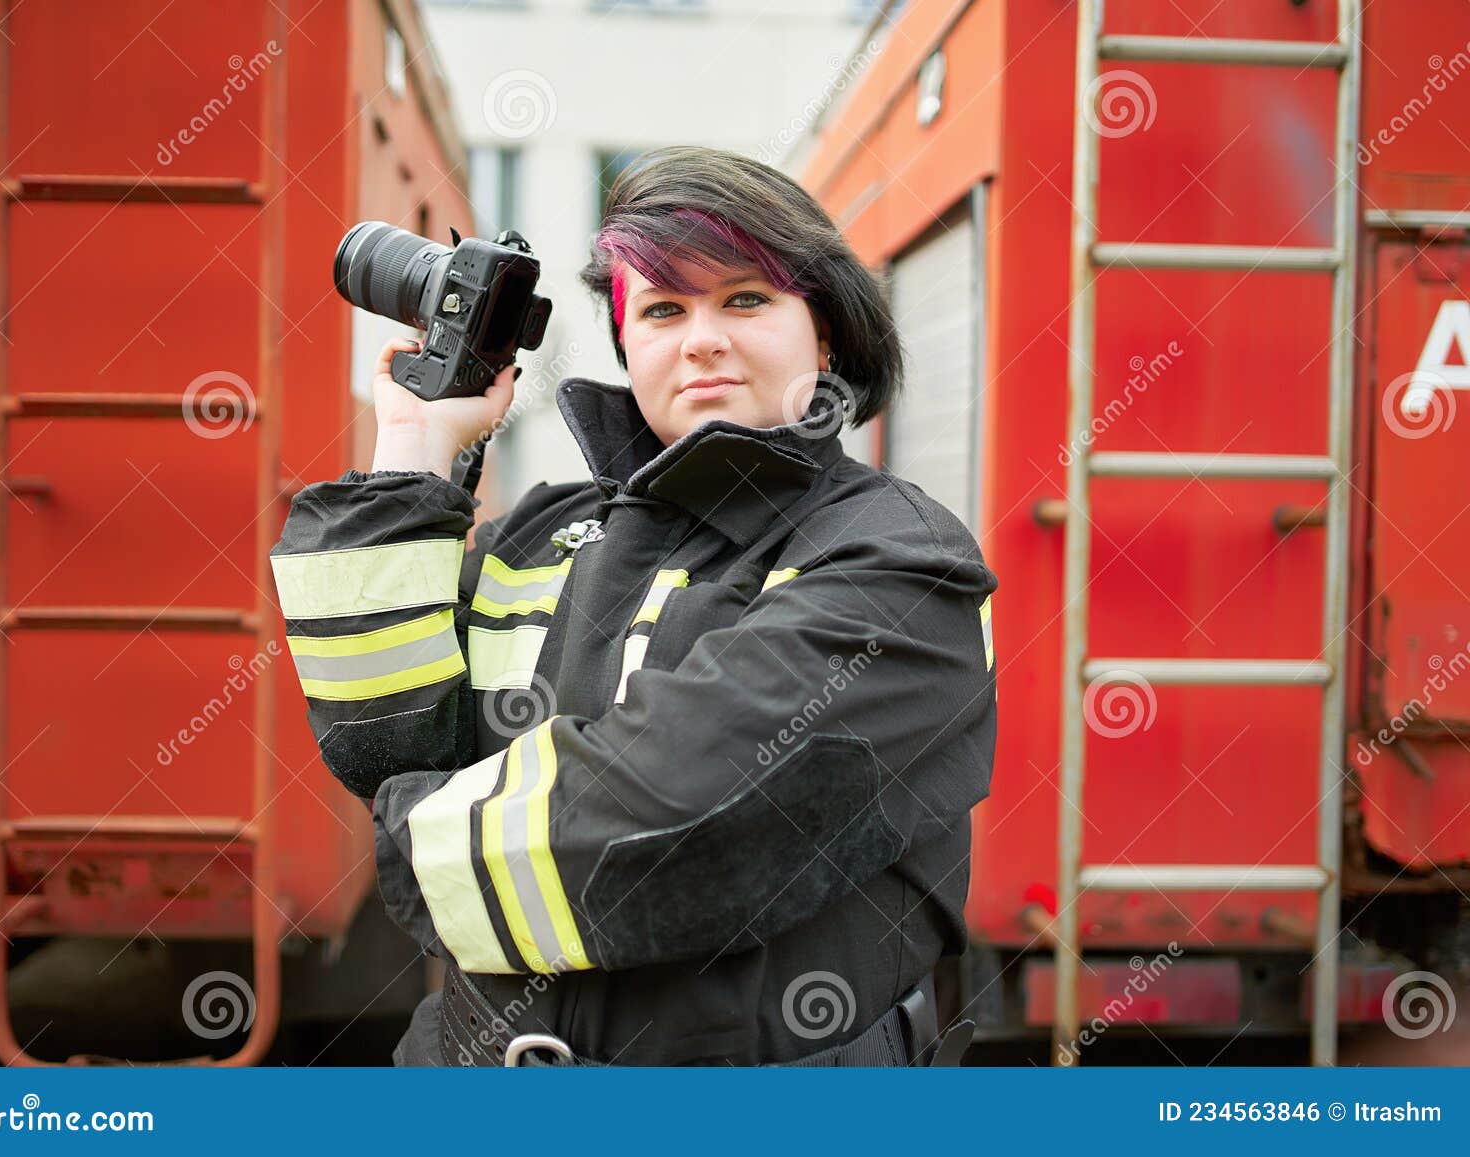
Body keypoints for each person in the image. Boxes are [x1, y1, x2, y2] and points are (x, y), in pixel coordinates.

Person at [269, 145, 999, 1066]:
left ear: (825, 338)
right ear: (630, 351)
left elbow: (682, 815)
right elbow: (379, 738)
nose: (700, 338)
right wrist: (413, 452)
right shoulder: (539, 533)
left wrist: (414, 836)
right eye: (661, 310)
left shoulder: (901, 558)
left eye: (745, 298)